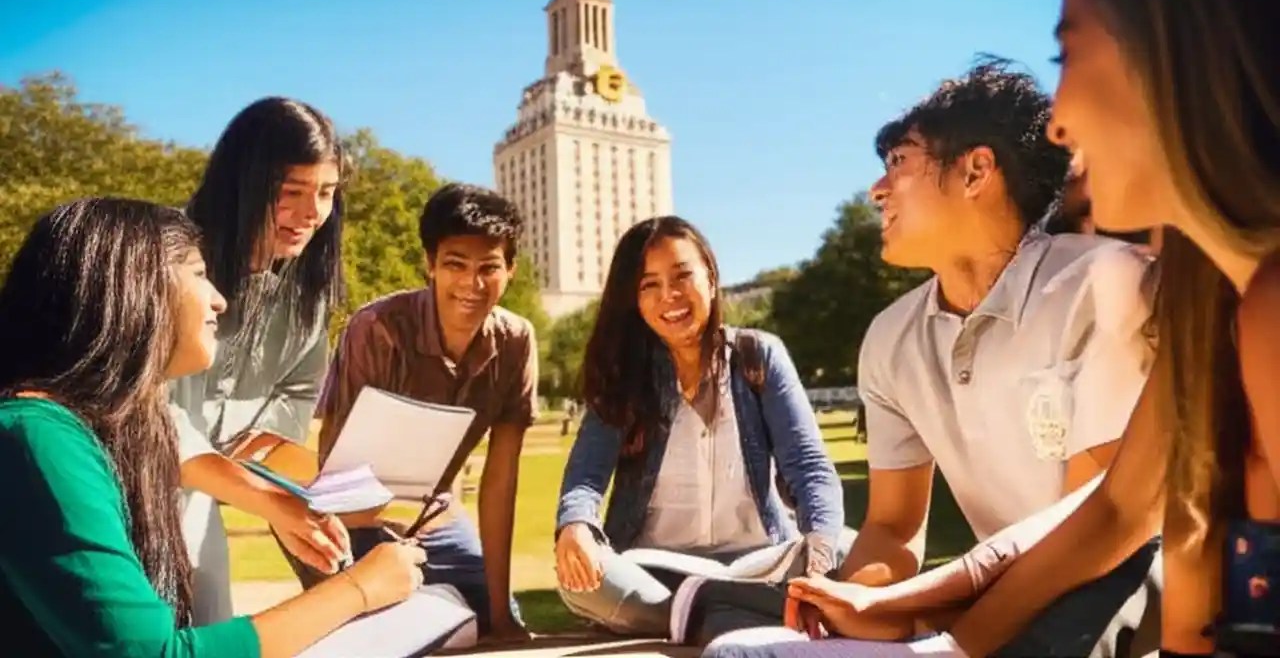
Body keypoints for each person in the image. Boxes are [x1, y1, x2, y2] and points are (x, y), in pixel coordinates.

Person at [708, 60, 1161, 658]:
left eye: (898, 163)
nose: (877, 190)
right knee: (740, 653)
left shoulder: (1103, 283)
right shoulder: (891, 338)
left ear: (976, 171)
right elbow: (893, 530)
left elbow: (1094, 529)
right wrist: (851, 603)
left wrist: (924, 617)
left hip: (1119, 591)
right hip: (990, 603)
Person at [937, 0, 1280, 656]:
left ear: (1178, 52)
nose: (1057, 124)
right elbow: (1122, 509)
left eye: (1066, 59)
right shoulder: (1207, 301)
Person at [0, 197, 424, 658]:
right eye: (200, 274)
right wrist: (358, 589)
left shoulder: (116, 427)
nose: (219, 300)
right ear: (133, 287)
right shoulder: (35, 439)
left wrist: (281, 506)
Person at [554, 215, 847, 643]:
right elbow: (585, 476)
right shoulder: (625, 374)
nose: (668, 296)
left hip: (761, 564)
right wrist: (575, 525)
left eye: (681, 276)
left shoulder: (758, 356)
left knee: (848, 545)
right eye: (648, 285)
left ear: (710, 277)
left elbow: (810, 468)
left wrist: (819, 557)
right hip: (654, 574)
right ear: (633, 300)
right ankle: (721, 615)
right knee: (580, 578)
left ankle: (693, 618)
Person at [303, 182, 535, 643]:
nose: (473, 284)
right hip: (355, 520)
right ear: (430, 264)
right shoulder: (377, 329)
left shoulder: (516, 341)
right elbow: (333, 465)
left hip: (439, 520)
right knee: (394, 629)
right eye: (455, 265)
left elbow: (500, 477)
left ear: (510, 269)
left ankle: (432, 598)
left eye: (489, 267)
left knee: (494, 613)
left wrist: (502, 616)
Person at [170, 96, 351, 624]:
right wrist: (269, 502)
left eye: (325, 193)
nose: (312, 214)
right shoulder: (167, 262)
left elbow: (295, 393)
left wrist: (277, 450)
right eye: (291, 192)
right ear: (242, 185)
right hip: (126, 489)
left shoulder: (309, 293)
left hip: (208, 492)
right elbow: (156, 421)